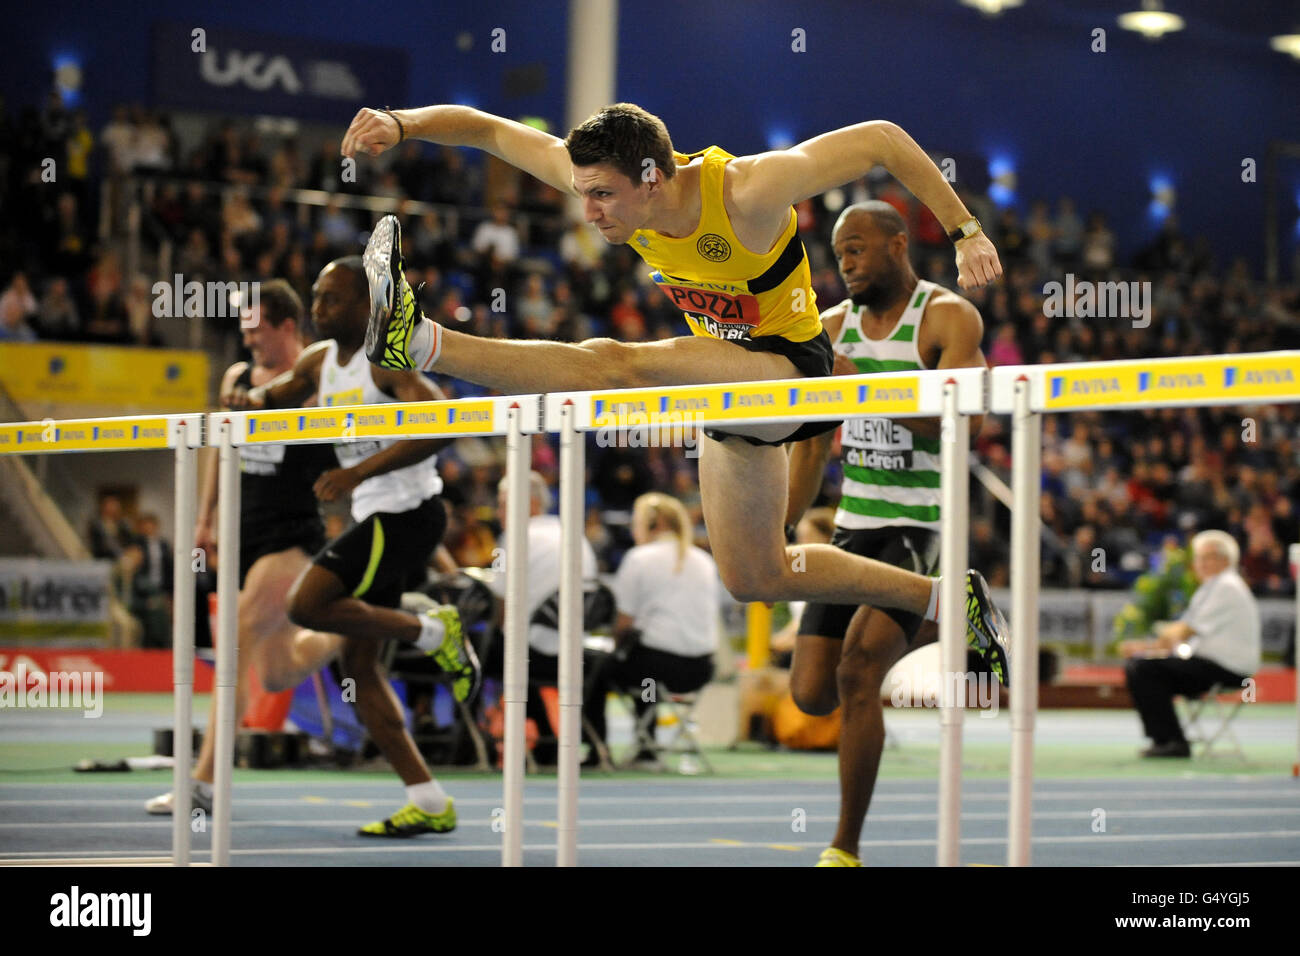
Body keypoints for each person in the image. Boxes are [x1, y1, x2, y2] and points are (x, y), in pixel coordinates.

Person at [341, 102, 1010, 681]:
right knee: (756, 577)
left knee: (619, 364)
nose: (589, 211)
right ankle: (947, 599)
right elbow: (488, 131)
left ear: (652, 178)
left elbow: (883, 138)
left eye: (601, 195)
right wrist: (404, 124)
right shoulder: (607, 180)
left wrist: (965, 230)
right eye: (582, 193)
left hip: (793, 373)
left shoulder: (748, 189)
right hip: (724, 382)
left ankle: (422, 340)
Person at [233, 257, 480, 837]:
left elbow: (440, 425)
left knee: (305, 606)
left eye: (332, 300)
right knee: (358, 665)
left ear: (368, 307)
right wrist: (246, 403)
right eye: (316, 298)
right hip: (374, 516)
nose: (319, 309)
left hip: (409, 514)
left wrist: (357, 473)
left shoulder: (384, 362)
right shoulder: (320, 362)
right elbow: (280, 395)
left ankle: (433, 631)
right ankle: (429, 798)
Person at [783, 201, 989, 867]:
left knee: (857, 670)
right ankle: (948, 613)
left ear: (899, 245)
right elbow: (813, 446)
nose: (844, 263)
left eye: (858, 248)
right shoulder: (831, 329)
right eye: (839, 252)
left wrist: (865, 388)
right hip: (853, 528)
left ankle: (844, 847)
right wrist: (781, 524)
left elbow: (964, 431)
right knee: (811, 694)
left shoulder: (947, 318)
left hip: (922, 524)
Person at [146, 281, 344, 815]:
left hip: (293, 535)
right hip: (242, 533)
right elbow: (219, 449)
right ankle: (351, 624)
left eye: (257, 329)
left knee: (234, 636)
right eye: (243, 330)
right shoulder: (236, 379)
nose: (249, 339)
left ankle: (204, 784)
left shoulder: (318, 379)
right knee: (277, 670)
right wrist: (205, 518)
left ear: (288, 327)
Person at [480, 471, 602, 765]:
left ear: (529, 503)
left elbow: (500, 607)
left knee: (468, 651)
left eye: (502, 505)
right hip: (575, 655)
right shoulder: (573, 533)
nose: (497, 514)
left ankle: (467, 743)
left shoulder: (517, 536)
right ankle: (547, 739)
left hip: (534, 656)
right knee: (517, 647)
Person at [590, 492, 720, 766]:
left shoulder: (640, 558)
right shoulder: (704, 560)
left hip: (656, 669)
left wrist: (609, 644)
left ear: (652, 525)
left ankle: (597, 749)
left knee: (594, 668)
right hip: (701, 669)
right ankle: (646, 747)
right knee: (643, 660)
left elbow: (623, 623)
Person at [1121, 530, 1261, 758]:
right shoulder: (1210, 588)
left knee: (1144, 669)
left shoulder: (1226, 586)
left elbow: (1184, 631)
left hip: (1227, 667)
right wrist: (1148, 648)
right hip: (1210, 663)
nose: (1201, 563)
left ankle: (1171, 740)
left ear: (1225, 560)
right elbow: (1182, 633)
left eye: (1208, 557)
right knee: (1142, 666)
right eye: (1199, 557)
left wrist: (1147, 647)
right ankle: (1167, 738)